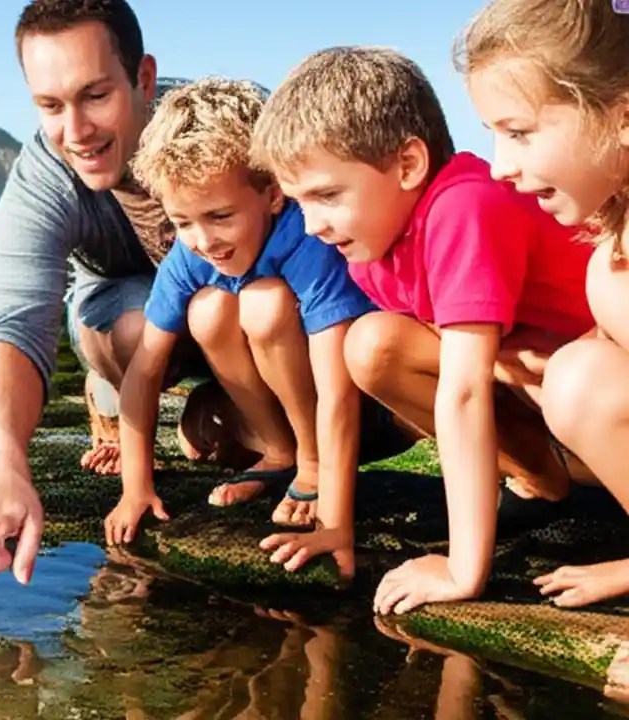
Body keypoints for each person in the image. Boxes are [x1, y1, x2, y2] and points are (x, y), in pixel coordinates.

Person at [249, 46, 597, 615]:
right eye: (300, 202)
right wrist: (335, 524)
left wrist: (464, 570)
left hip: (600, 385)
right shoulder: (372, 245)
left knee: (565, 379)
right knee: (372, 346)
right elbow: (352, 382)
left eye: (328, 196)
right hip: (552, 392)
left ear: (408, 165)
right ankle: (542, 481)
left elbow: (462, 391)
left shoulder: (463, 207)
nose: (312, 225)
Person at [0, 0, 248, 598]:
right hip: (127, 310)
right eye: (51, 106)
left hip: (235, 310)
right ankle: (110, 388)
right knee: (144, 322)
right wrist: (0, 466)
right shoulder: (46, 171)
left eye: (94, 96)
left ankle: (226, 400)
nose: (77, 131)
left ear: (142, 79)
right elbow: (14, 323)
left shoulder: (223, 129)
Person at [104, 76, 405, 548]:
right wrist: (135, 487)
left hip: (366, 413)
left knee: (265, 302)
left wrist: (334, 520)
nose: (204, 241)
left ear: (272, 193)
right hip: (288, 410)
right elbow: (143, 372)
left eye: (221, 217)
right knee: (207, 310)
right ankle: (277, 451)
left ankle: (308, 461)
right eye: (183, 223)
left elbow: (338, 387)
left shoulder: (308, 240)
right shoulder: (190, 256)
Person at [457, 0, 629, 609]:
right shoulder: (613, 245)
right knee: (577, 372)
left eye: (520, 131)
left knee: (582, 375)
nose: (500, 167)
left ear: (622, 116)